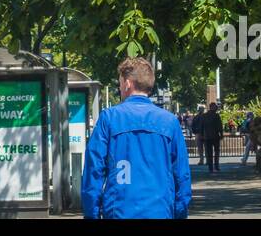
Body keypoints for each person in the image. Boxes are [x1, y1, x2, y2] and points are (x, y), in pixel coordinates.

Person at [81, 57, 192, 219]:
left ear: (127, 83)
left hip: (119, 210)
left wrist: (92, 213)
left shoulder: (109, 118)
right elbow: (182, 174)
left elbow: (94, 171)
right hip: (160, 210)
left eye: (120, 83)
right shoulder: (170, 122)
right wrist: (179, 212)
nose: (119, 88)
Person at [201, 102, 224, 173]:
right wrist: (221, 134)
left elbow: (201, 127)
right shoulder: (216, 116)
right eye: (215, 107)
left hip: (208, 137)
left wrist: (202, 135)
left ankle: (211, 167)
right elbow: (219, 126)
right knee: (216, 152)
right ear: (212, 107)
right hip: (214, 136)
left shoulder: (204, 116)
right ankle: (216, 166)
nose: (216, 108)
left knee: (209, 153)